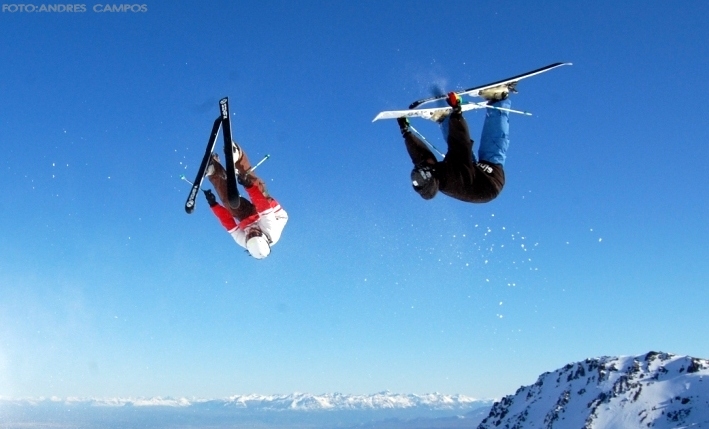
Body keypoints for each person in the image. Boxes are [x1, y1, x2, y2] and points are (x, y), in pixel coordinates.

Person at [397, 87, 512, 203]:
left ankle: (444, 118)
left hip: (468, 174)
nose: (423, 164)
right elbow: (460, 142)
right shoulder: (454, 177)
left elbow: (419, 155)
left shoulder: (430, 174)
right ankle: (500, 98)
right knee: (492, 148)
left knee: (455, 152)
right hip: (489, 182)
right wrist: (456, 111)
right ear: (431, 173)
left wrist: (405, 132)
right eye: (425, 167)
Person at [203, 142, 288, 259]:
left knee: (232, 204)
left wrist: (214, 205)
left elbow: (228, 222)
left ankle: (214, 171)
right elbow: (262, 205)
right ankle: (238, 156)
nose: (251, 232)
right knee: (257, 189)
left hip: (248, 219)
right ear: (264, 236)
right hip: (273, 214)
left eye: (249, 236)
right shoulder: (271, 230)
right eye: (255, 234)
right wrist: (248, 185)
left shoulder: (242, 240)